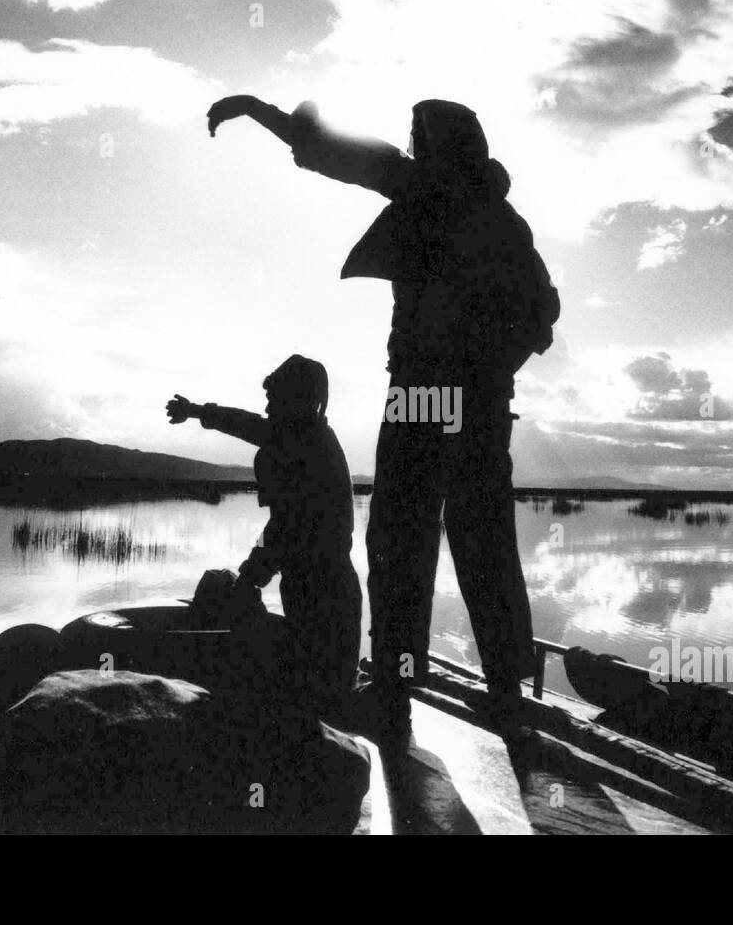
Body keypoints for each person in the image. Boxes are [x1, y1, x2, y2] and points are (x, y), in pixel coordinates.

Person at [206, 95, 560, 739]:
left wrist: (255, 109)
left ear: (437, 147)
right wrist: (491, 372)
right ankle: (505, 691)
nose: (412, 147)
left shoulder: (428, 187)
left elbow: (336, 155)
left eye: (418, 138)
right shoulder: (509, 222)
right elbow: (545, 318)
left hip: (422, 396)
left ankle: (397, 684)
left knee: (401, 539)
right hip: (480, 406)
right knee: (486, 546)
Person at [165, 355, 361, 721]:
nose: (268, 407)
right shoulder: (297, 434)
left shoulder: (309, 450)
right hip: (311, 590)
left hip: (326, 599)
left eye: (276, 399)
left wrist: (249, 578)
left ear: (299, 400)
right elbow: (246, 423)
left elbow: (286, 532)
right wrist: (195, 411)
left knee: (309, 699)